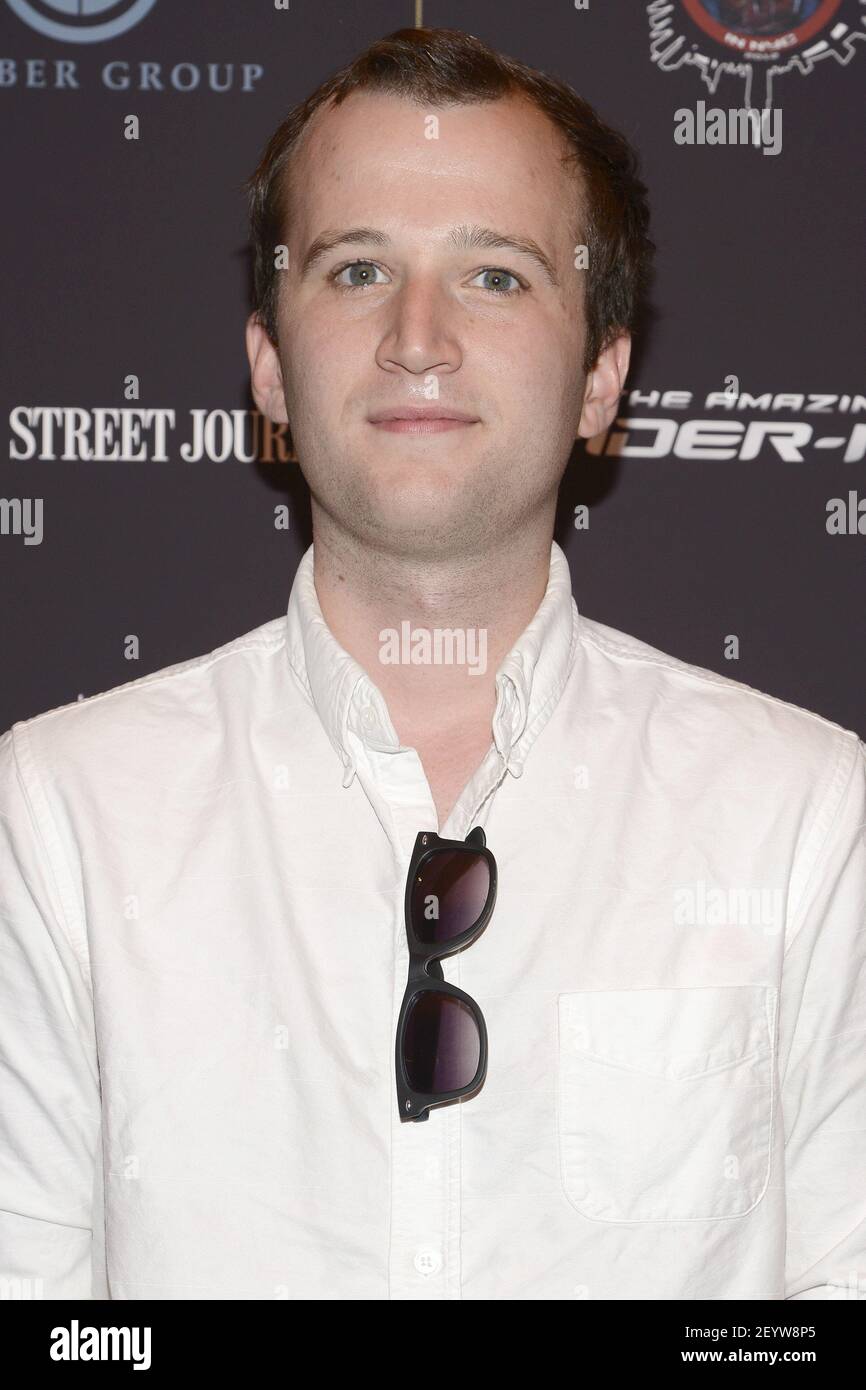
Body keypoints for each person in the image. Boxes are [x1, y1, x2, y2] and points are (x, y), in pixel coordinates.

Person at [1, 26, 863, 1301]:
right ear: (267, 369)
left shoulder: (801, 814)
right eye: (356, 269)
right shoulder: (60, 815)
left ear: (600, 380)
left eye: (496, 277)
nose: (418, 336)